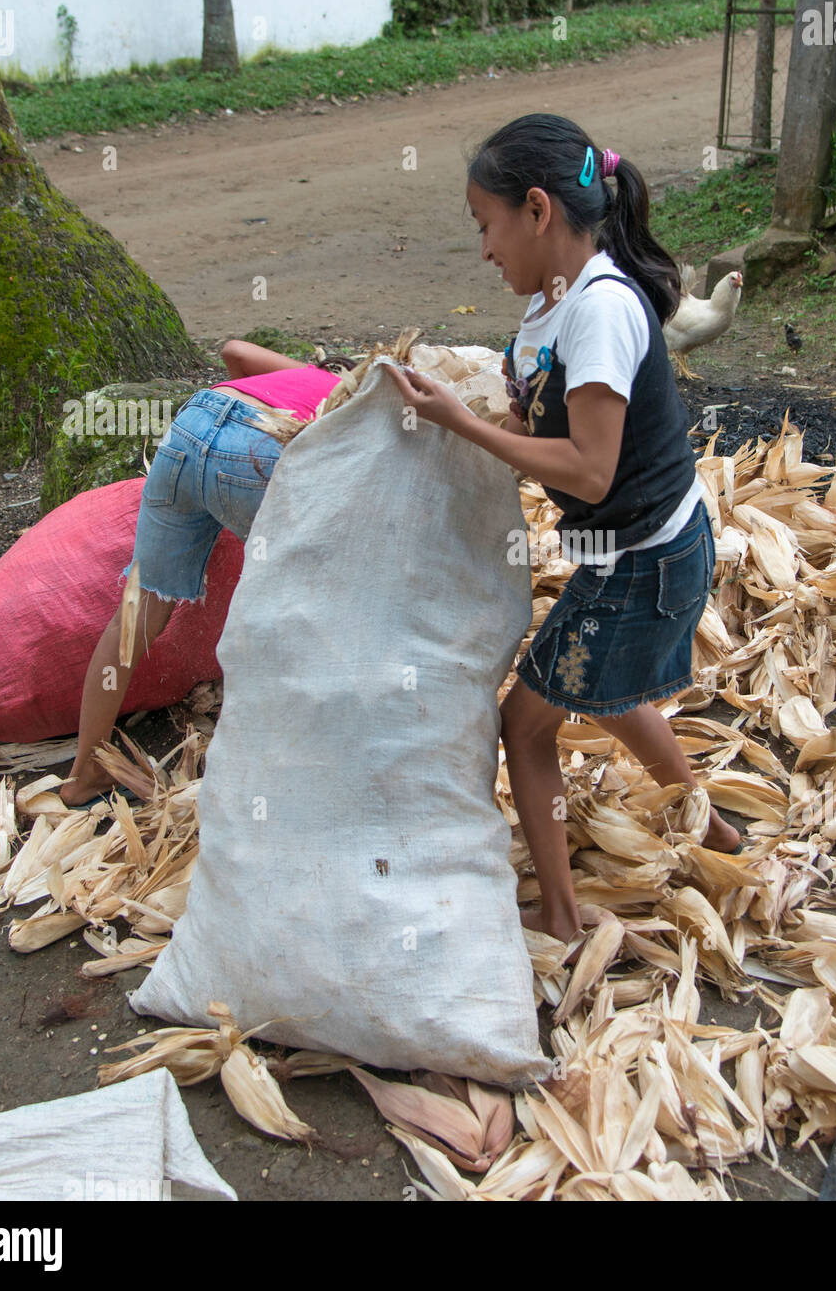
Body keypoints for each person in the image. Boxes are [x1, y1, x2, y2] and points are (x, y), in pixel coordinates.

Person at [385, 112, 743, 947]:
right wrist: (493, 404)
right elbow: (548, 418)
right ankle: (712, 826)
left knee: (524, 723)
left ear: (538, 210)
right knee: (608, 697)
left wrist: (462, 426)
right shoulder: (552, 307)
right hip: (624, 550)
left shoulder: (601, 310)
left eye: (487, 225)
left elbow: (588, 470)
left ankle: (562, 914)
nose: (483, 250)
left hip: (646, 562)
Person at [58, 341, 346, 809]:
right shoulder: (351, 392)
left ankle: (83, 774)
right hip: (261, 450)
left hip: (192, 427)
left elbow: (233, 348)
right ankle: (289, 778)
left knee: (133, 616)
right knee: (308, 611)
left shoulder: (298, 377)